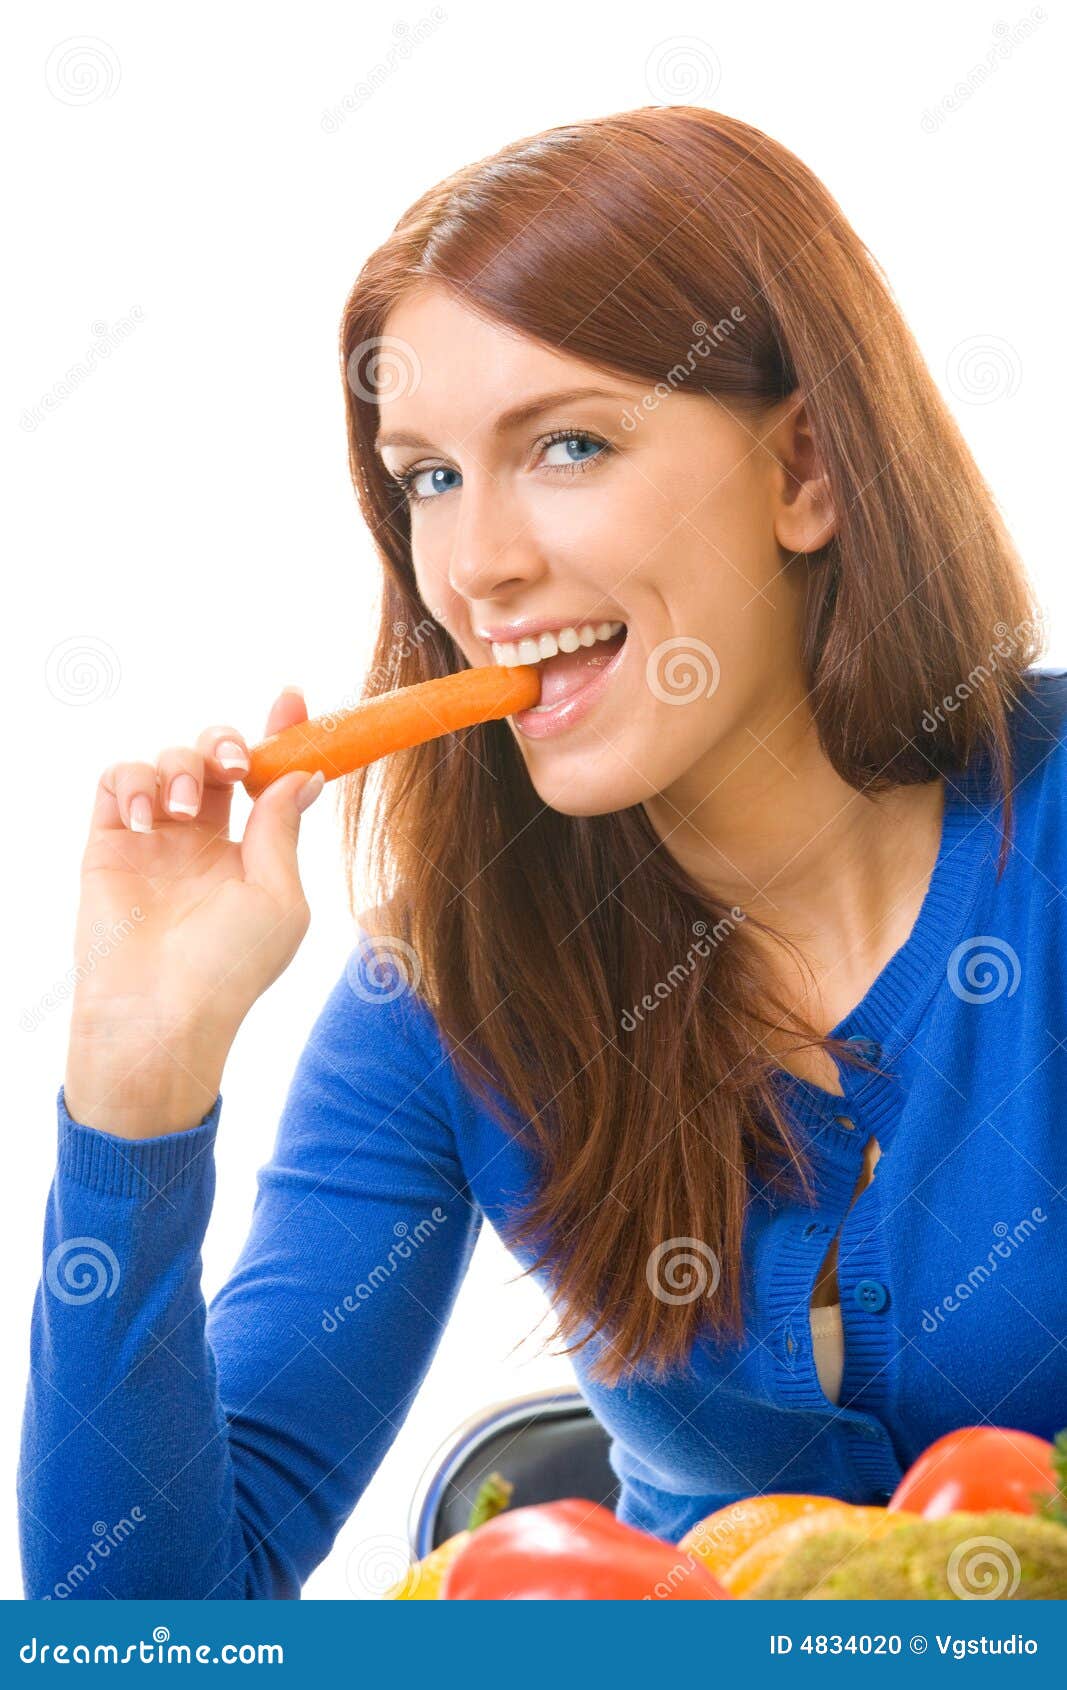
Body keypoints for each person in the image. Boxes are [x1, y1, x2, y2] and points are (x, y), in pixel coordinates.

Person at [19, 105, 1065, 1600]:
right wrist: (135, 1084)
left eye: (568, 443)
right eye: (429, 476)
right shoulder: (438, 998)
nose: (478, 567)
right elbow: (139, 1631)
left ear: (807, 470)